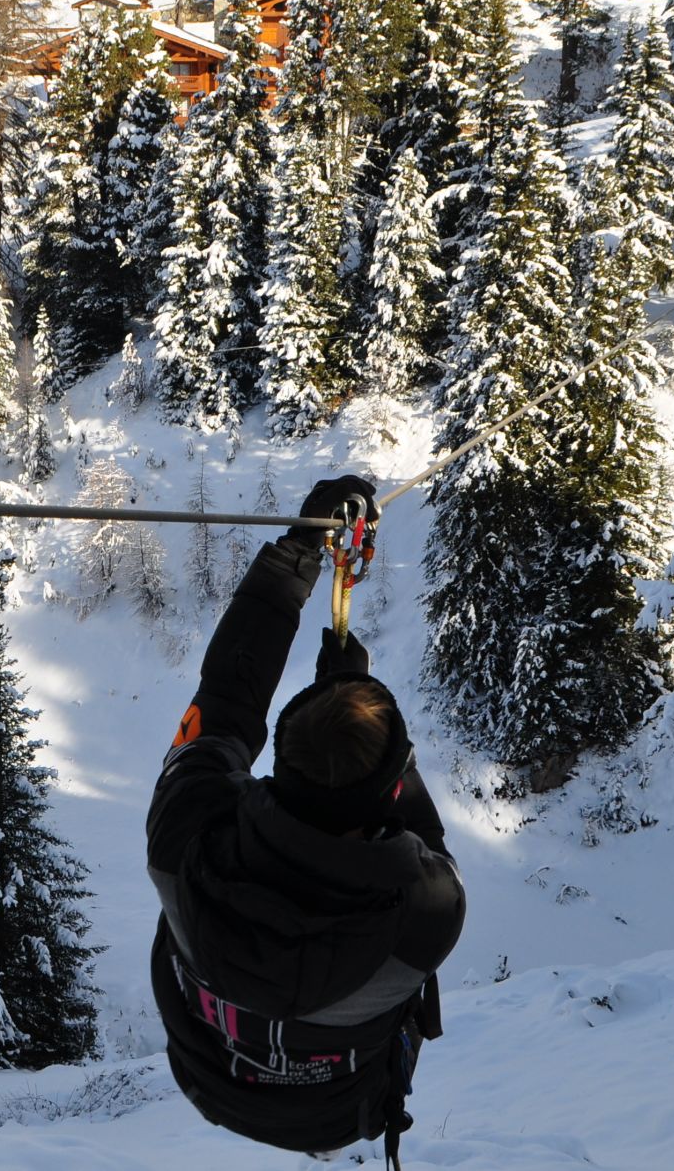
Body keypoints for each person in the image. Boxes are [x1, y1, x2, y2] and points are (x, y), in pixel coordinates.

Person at [146, 475, 466, 1165]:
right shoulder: (425, 908)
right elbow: (415, 830)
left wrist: (300, 548)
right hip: (342, 1113)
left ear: (279, 762)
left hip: (209, 1081)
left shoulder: (186, 832)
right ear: (388, 792)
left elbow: (227, 699)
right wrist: (347, 698)